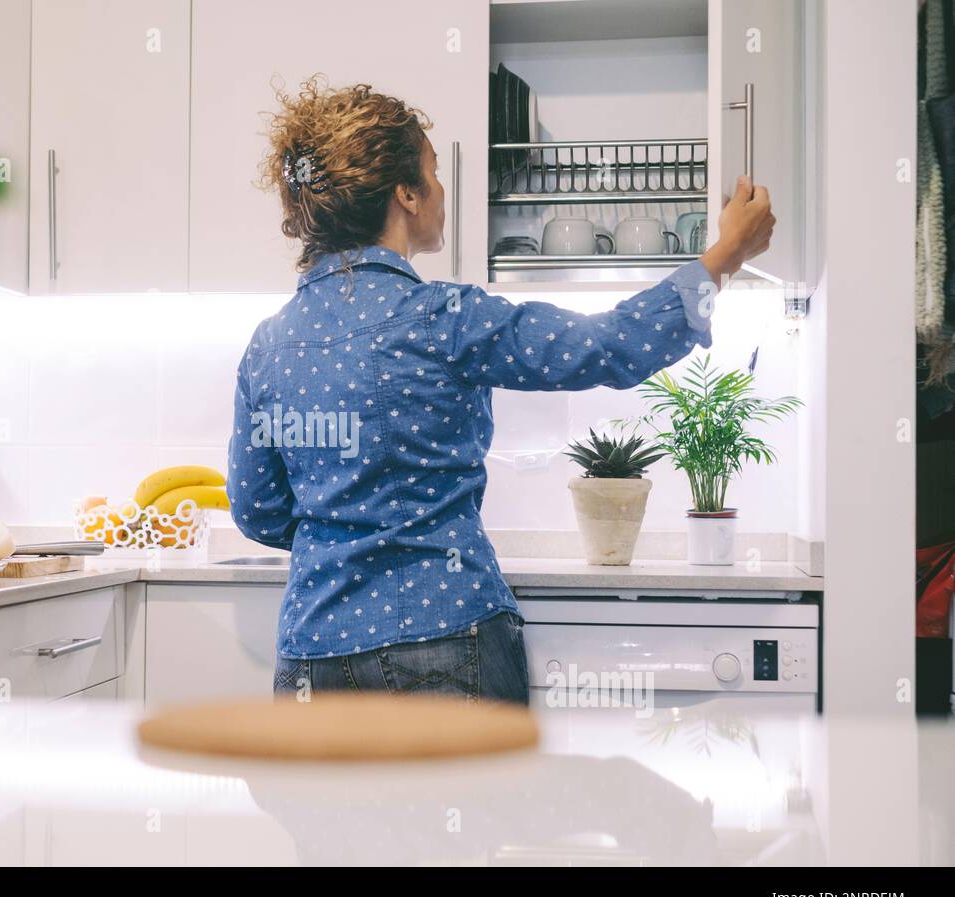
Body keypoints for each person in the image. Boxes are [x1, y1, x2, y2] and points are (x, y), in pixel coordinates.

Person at [227, 78, 775, 705]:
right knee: (474, 806)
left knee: (328, 808)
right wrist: (725, 255)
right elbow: (607, 346)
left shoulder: (267, 347)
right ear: (406, 194)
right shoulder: (444, 317)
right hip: (441, 639)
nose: (440, 191)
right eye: (433, 174)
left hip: (311, 656)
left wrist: (347, 527)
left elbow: (258, 508)